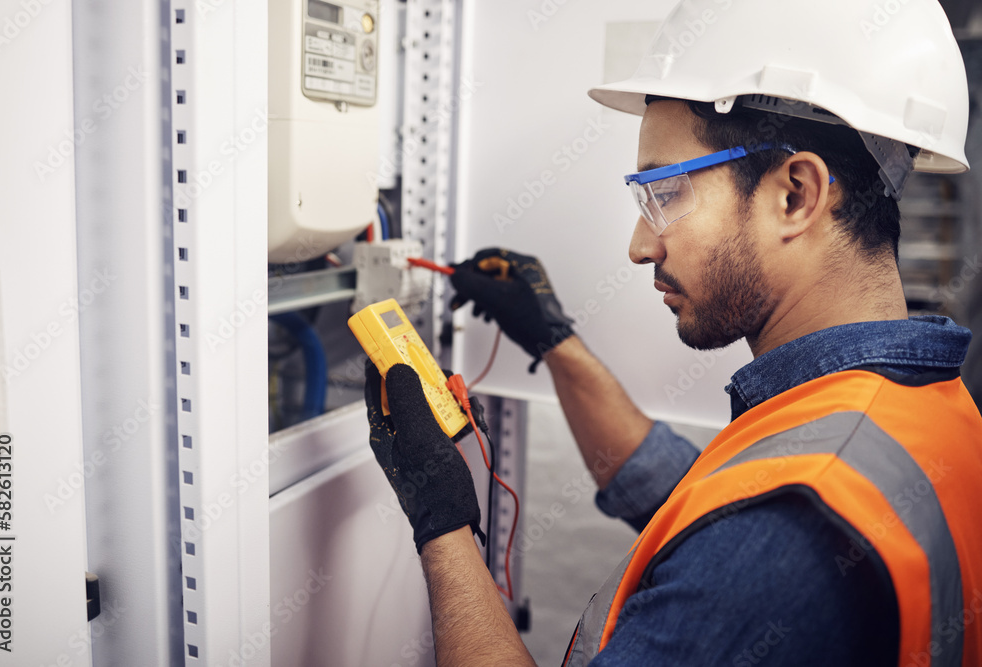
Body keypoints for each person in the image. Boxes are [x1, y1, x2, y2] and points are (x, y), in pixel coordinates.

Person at [362, 1, 982, 665]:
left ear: (796, 194)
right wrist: (553, 340)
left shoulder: (790, 526)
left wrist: (441, 517)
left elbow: (748, 541)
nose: (639, 246)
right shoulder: (912, 410)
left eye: (664, 193)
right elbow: (688, 493)